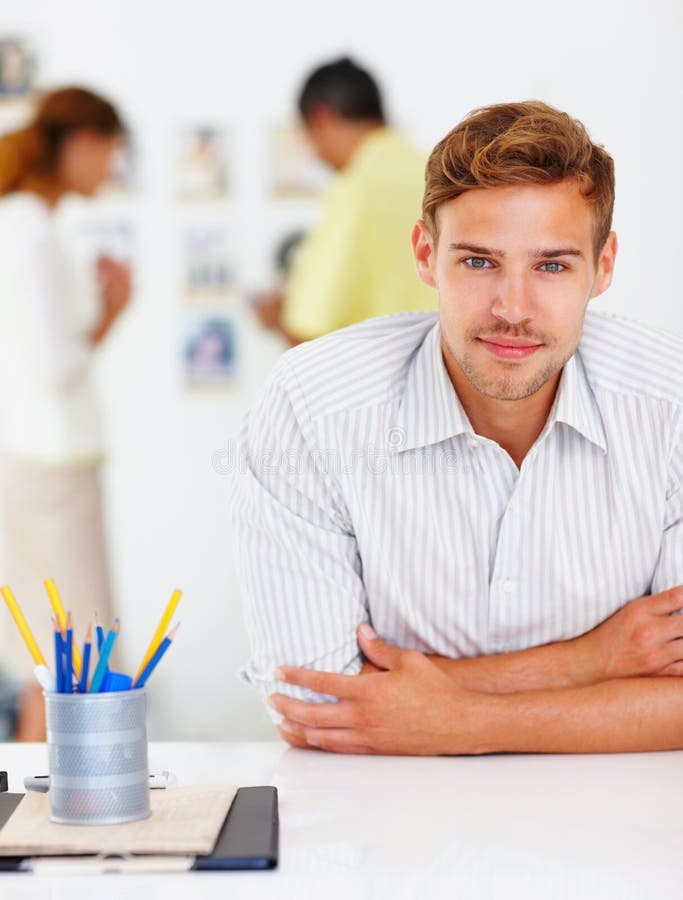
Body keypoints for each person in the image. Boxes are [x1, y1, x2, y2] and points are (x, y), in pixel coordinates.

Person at [234, 100, 683, 756]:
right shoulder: (310, 407)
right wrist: (585, 663)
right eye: (477, 262)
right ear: (426, 253)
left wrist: (458, 720)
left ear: (603, 266)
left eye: (552, 265)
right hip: (383, 833)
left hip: (625, 842)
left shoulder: (668, 406)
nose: (512, 309)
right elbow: (315, 704)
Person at [0, 87, 130, 725]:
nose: (111, 169)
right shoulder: (31, 233)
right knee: (76, 667)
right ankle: (55, 819)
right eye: (110, 152)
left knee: (48, 668)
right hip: (53, 470)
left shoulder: (22, 225)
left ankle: (32, 821)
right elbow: (56, 367)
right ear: (81, 142)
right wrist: (111, 310)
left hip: (35, 464)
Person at [255, 57, 435, 345]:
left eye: (307, 137)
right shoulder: (433, 170)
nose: (313, 154)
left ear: (320, 118)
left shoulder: (356, 186)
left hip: (382, 379)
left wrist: (275, 319)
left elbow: (309, 331)